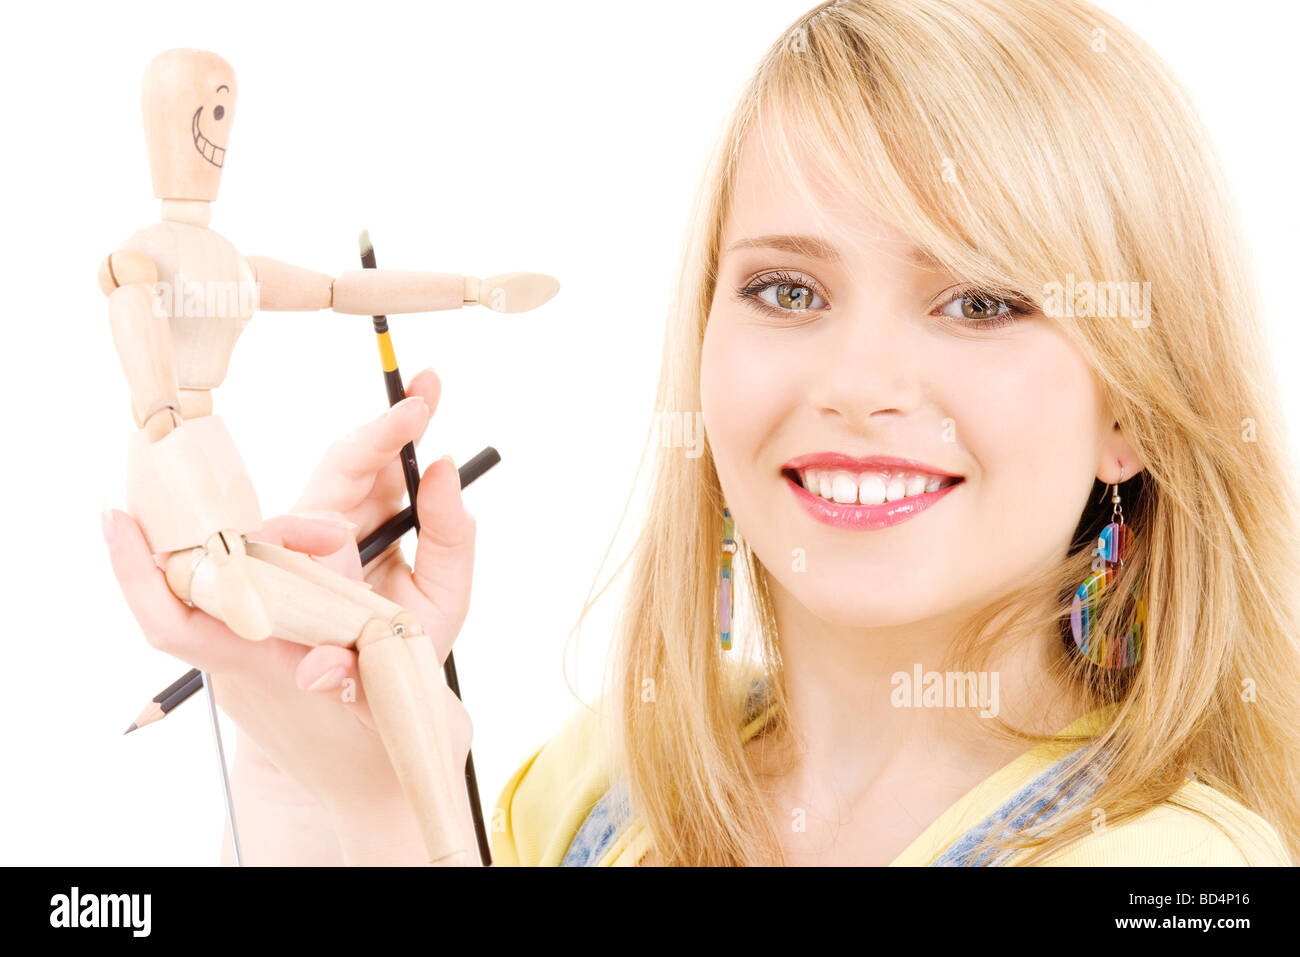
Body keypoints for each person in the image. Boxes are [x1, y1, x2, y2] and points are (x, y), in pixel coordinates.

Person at [103, 0, 1299, 866]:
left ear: (1132, 407)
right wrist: (314, 768)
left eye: (980, 302)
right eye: (788, 290)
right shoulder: (600, 787)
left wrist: (384, 824)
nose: (856, 382)